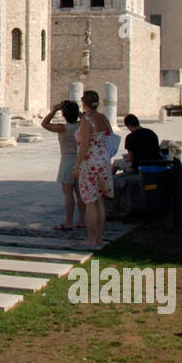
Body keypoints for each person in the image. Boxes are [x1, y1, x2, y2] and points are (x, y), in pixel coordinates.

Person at [73, 89, 114, 250]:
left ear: (84, 103)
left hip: (90, 161)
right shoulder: (103, 118)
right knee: (99, 201)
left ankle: (91, 238)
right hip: (103, 160)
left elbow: (84, 145)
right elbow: (109, 134)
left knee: (90, 201)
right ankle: (99, 237)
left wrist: (77, 165)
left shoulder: (86, 121)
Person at [41, 100, 85, 232]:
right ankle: (82, 220)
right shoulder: (82, 126)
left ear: (64, 114)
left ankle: (68, 222)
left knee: (68, 194)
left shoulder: (62, 128)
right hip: (81, 160)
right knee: (80, 194)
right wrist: (80, 114)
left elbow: (44, 124)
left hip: (67, 161)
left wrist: (54, 110)